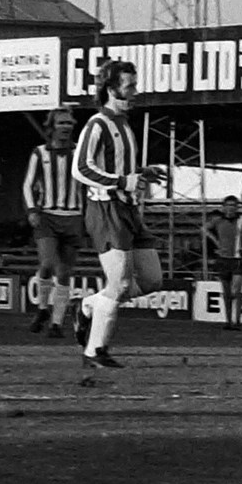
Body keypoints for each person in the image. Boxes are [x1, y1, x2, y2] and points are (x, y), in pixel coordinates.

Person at [70, 59, 168, 369]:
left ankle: (88, 306)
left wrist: (142, 172)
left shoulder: (123, 124)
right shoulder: (97, 124)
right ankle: (94, 351)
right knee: (121, 285)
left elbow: (119, 167)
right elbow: (81, 168)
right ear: (112, 89)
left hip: (128, 209)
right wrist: (123, 181)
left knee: (152, 280)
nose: (135, 92)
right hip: (106, 209)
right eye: (130, 86)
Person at [22, 107, 86, 338]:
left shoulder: (80, 153)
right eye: (61, 123)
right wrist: (32, 210)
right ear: (51, 127)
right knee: (47, 264)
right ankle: (42, 308)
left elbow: (90, 182)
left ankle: (56, 323)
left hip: (73, 217)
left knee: (65, 272)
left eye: (69, 123)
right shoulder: (40, 153)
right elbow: (28, 184)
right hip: (47, 215)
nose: (66, 127)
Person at [204, 195, 242, 329]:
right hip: (223, 259)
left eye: (233, 205)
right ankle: (228, 321)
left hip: (237, 258)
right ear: (223, 207)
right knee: (227, 292)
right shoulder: (218, 221)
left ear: (237, 207)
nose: (231, 208)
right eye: (228, 205)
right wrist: (216, 242)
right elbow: (204, 229)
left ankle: (237, 320)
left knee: (236, 291)